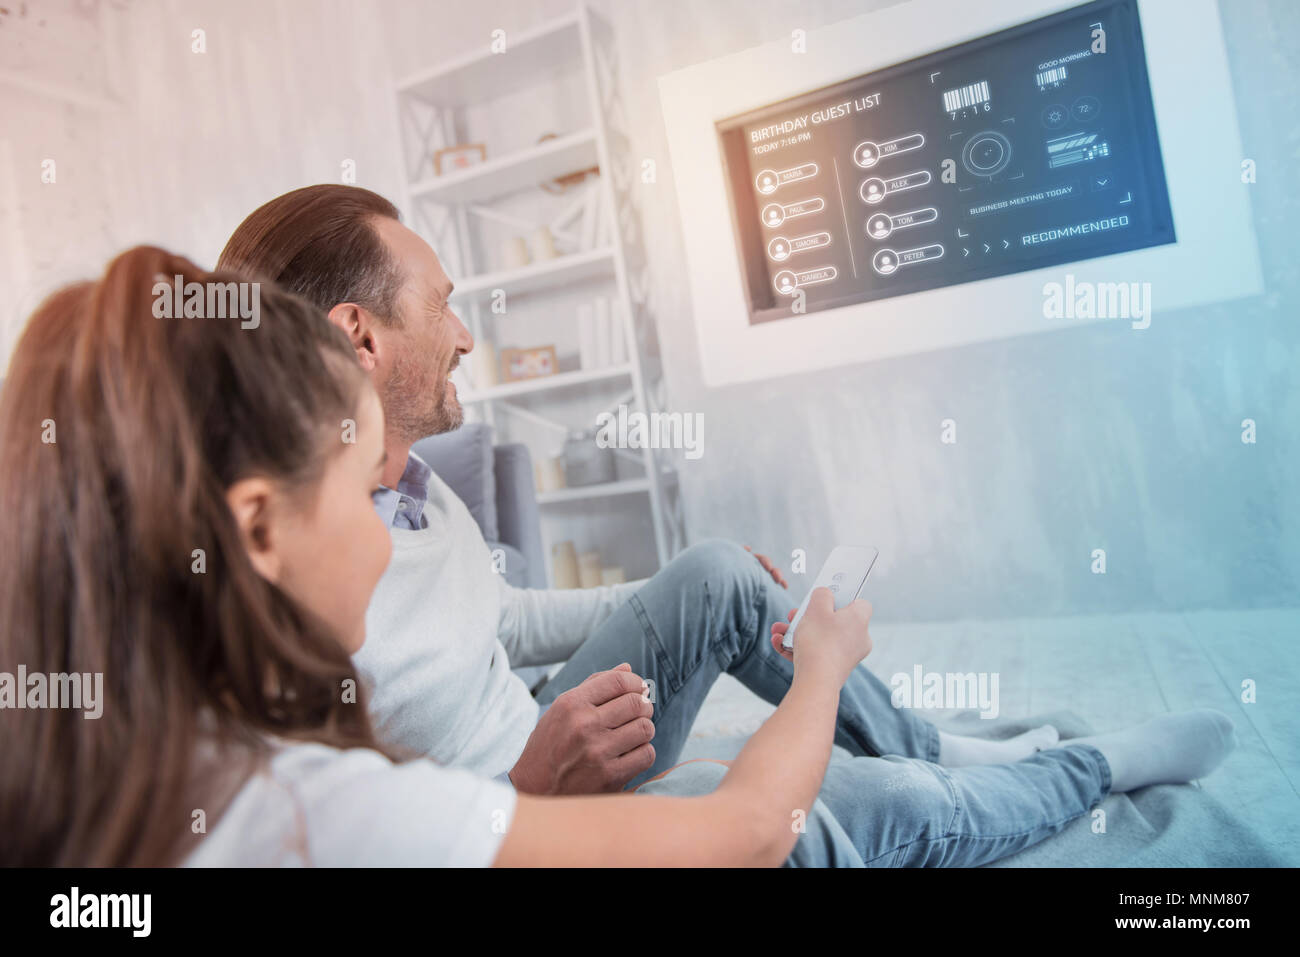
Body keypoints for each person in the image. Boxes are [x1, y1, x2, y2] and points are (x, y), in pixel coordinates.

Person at [0, 247, 1236, 867]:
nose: (377, 541)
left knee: (711, 586)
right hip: (527, 798)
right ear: (261, 526)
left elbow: (494, 627)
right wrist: (816, 670)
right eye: (349, 497)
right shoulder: (320, 809)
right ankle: (1090, 766)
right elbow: (749, 826)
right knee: (863, 809)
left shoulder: (176, 747)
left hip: (511, 794)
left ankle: (985, 752)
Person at [215, 185, 1070, 795]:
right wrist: (529, 780)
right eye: (443, 307)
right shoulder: (294, 579)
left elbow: (500, 619)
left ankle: (925, 747)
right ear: (361, 337)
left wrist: (671, 591)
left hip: (547, 731)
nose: (468, 337)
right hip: (522, 809)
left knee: (718, 570)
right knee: (849, 819)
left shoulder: (419, 492)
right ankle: (1024, 777)